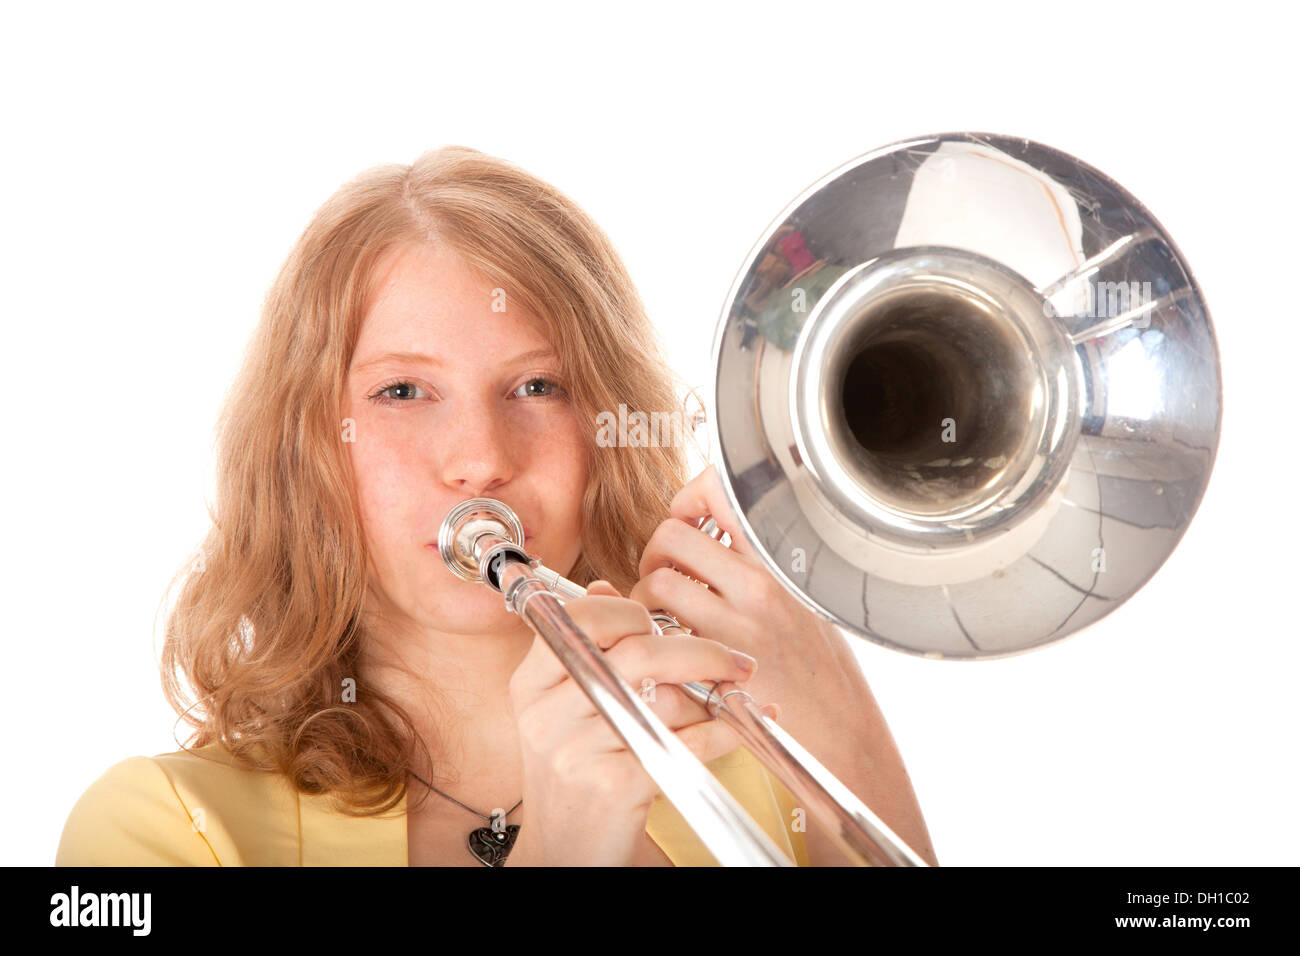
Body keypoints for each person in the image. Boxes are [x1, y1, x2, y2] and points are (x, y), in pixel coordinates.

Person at [55, 146, 938, 867]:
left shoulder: (764, 787)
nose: (479, 459)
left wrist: (841, 715)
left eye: (538, 385)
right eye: (402, 391)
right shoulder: (164, 829)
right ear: (309, 446)